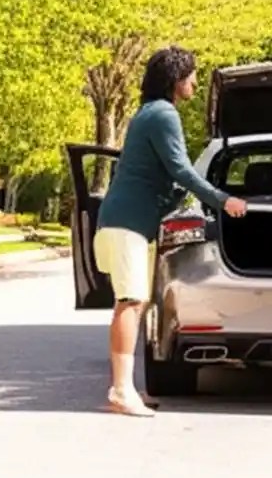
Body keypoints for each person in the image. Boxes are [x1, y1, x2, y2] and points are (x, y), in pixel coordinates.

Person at [94, 45, 247, 417]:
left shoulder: (148, 113)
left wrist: (184, 195)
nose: (195, 81)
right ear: (177, 79)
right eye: (192, 74)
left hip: (122, 221)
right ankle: (120, 391)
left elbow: (164, 174)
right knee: (130, 303)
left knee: (132, 302)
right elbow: (180, 169)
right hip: (126, 224)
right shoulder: (163, 114)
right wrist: (222, 199)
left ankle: (126, 387)